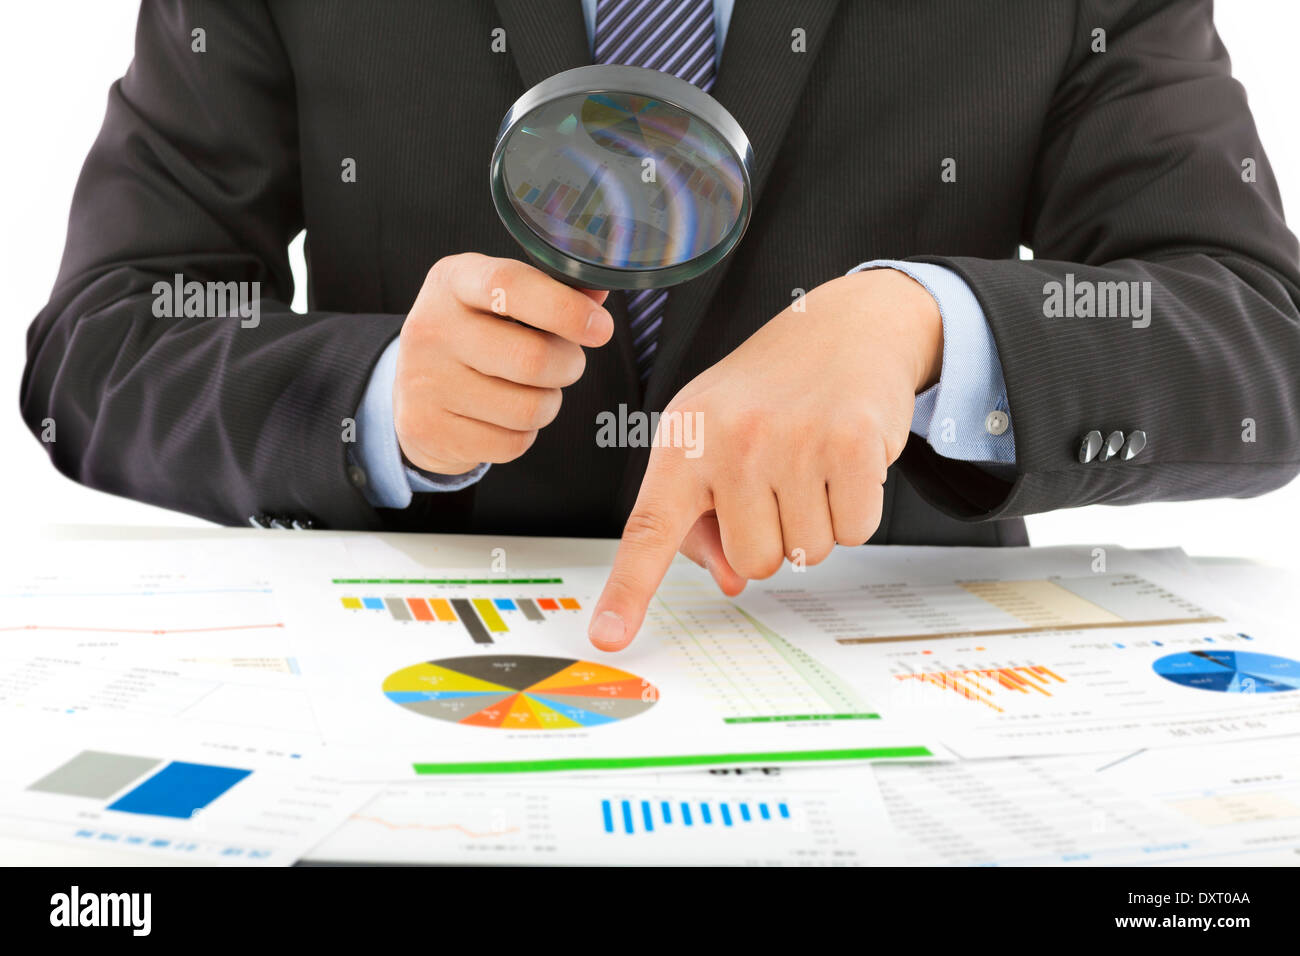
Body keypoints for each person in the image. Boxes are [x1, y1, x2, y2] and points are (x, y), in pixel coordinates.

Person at [21, 1, 1300, 654]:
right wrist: (371, 400)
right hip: (421, 721)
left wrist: (930, 324)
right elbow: (101, 338)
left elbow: (1259, 334)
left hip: (883, 716)